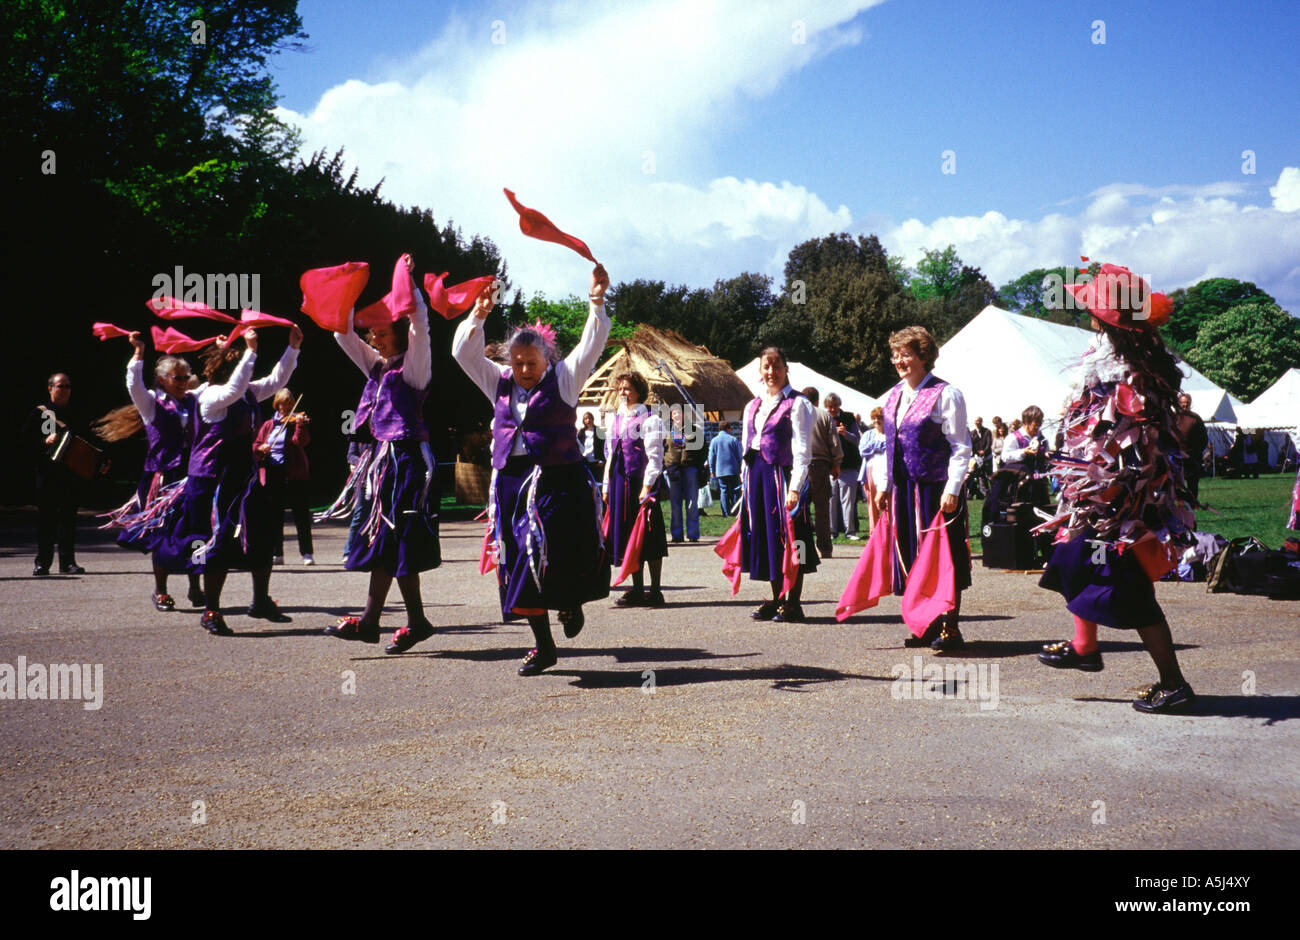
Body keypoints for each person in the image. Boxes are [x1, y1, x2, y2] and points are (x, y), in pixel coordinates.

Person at [1036, 264, 1196, 713]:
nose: (1085, 310)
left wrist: (1117, 494)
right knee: (1074, 559)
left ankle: (1174, 682)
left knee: (1131, 588)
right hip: (1097, 495)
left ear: (1107, 316)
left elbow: (1139, 439)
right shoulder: (1108, 351)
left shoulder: (1133, 367)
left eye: (1091, 305)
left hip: (1123, 498)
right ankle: (1084, 647)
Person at [453, 264, 612, 676]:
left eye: (532, 361)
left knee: (556, 555)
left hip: (557, 482)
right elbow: (462, 354)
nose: (525, 369)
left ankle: (570, 602)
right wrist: (479, 314)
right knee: (522, 557)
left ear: (547, 358)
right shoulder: (498, 382)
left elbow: (591, 345)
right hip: (511, 481)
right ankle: (544, 646)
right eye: (519, 362)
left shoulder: (564, 379)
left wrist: (595, 301)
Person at [324, 255, 442, 654]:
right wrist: (345, 293)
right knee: (386, 541)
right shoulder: (376, 366)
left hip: (407, 463)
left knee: (398, 541)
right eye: (372, 335)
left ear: (399, 331)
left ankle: (386, 621)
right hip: (380, 465)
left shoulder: (414, 370)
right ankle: (400, 621)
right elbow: (342, 335)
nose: (374, 339)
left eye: (380, 333)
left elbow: (421, 330)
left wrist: (411, 293)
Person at [155, 325, 301, 635]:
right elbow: (233, 388)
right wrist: (251, 350)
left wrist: (293, 348)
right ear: (228, 369)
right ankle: (211, 609)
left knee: (260, 537)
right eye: (239, 366)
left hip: (242, 480)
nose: (246, 371)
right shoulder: (210, 396)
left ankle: (260, 600)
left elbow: (276, 380)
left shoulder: (245, 392)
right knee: (217, 543)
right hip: (212, 481)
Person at [873, 326, 973, 651]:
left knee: (944, 556)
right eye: (896, 354)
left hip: (936, 488)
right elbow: (890, 445)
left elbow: (961, 446)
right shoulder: (894, 395)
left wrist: (953, 487)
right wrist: (885, 485)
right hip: (905, 487)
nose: (900, 360)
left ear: (924, 356)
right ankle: (926, 625)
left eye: (907, 353)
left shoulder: (946, 394)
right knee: (914, 555)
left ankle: (950, 628)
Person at [98, 332, 203, 609]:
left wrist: (223, 351)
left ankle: (196, 586)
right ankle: (161, 590)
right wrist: (138, 354)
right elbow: (133, 384)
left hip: (192, 475)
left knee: (197, 530)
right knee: (162, 532)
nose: (183, 383)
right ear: (162, 379)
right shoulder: (152, 404)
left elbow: (227, 386)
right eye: (177, 378)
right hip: (163, 477)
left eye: (185, 377)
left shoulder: (194, 400)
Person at [741, 348, 819, 623]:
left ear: (786, 369)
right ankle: (776, 598)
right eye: (766, 367)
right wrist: (744, 481)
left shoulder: (798, 404)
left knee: (793, 536)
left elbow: (803, 451)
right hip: (758, 475)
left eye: (776, 366)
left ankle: (793, 602)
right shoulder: (752, 405)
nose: (771, 372)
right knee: (767, 536)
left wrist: (795, 487)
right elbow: (747, 444)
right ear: (760, 371)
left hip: (783, 476)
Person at [604, 371, 668, 604]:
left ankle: (656, 590)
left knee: (650, 537)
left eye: (627, 388)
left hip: (640, 484)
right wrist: (606, 484)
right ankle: (637, 588)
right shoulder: (616, 418)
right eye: (620, 388)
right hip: (620, 483)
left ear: (638, 391)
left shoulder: (651, 419)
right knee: (629, 536)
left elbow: (655, 457)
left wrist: (647, 486)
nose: (623, 392)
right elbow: (610, 454)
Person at [25, 373, 98, 575]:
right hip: (48, 474)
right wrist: (44, 442)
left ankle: (68, 562)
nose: (64, 390)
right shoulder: (44, 413)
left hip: (71, 474)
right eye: (60, 386)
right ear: (50, 388)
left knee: (69, 520)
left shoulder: (77, 413)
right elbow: (25, 441)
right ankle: (43, 563)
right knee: (46, 520)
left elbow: (87, 440)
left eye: (67, 386)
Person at [255, 388, 314, 566]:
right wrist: (260, 448)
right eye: (283, 403)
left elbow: (300, 442)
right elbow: (256, 443)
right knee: (274, 515)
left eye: (289, 403)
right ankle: (277, 553)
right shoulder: (268, 425)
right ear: (277, 404)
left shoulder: (296, 422)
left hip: (295, 472)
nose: (286, 407)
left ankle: (307, 553)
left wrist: (300, 425)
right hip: (273, 472)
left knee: (301, 514)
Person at [804, 387, 841, 559]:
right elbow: (834, 442)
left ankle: (801, 552)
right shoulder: (824, 415)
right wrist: (836, 464)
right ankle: (825, 549)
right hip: (820, 465)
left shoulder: (794, 414)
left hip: (800, 466)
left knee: (799, 511)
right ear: (818, 401)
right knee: (822, 510)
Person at [664, 402, 706, 543]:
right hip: (673, 469)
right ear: (671, 416)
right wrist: (667, 465)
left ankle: (693, 534)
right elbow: (663, 450)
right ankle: (677, 534)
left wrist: (698, 465)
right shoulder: (667, 432)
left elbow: (703, 449)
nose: (677, 415)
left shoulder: (695, 430)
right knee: (675, 504)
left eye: (679, 413)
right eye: (674, 413)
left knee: (691, 503)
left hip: (690, 469)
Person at [997, 405, 1050, 508]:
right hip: (1020, 486)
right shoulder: (1013, 438)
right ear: (1027, 421)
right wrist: (1023, 452)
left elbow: (1045, 458)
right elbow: (1005, 457)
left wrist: (1047, 457)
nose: (1039, 425)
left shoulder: (1042, 439)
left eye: (1040, 421)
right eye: (1036, 422)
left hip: (1040, 485)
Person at [825, 393, 862, 539]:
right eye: (829, 407)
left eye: (834, 407)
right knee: (831, 500)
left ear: (839, 405)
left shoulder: (848, 417)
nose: (832, 410)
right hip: (830, 466)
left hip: (848, 465)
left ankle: (850, 531)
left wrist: (845, 433)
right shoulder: (824, 417)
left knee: (848, 500)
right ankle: (832, 531)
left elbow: (858, 439)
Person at [1175, 392, 1209, 503]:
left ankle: (1192, 503)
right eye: (1183, 403)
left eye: (1187, 403)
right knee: (1176, 482)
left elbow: (1203, 438)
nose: (1185, 405)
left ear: (1190, 404)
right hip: (1176, 456)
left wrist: (1195, 452)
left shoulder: (1196, 419)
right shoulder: (1174, 418)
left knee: (1192, 482)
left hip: (1192, 456)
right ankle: (1179, 504)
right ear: (1179, 403)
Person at [858, 407, 886, 530]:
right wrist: (881, 446)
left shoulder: (890, 433)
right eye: (874, 418)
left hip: (885, 472)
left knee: (887, 504)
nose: (876, 421)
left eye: (879, 418)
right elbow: (863, 450)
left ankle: (889, 534)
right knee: (872, 505)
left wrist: (873, 447)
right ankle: (873, 533)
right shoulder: (868, 434)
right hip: (870, 471)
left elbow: (891, 447)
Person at [708, 421, 743, 516]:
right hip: (733, 470)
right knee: (736, 491)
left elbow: (711, 457)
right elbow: (739, 456)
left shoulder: (714, 441)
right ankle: (735, 511)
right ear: (728, 428)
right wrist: (741, 467)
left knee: (724, 491)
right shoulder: (733, 440)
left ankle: (726, 512)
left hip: (720, 471)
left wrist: (712, 471)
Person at [577, 410, 604, 488]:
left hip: (596, 462)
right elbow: (578, 446)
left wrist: (601, 460)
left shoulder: (599, 431)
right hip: (585, 461)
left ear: (593, 419)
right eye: (586, 419)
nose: (588, 420)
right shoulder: (581, 432)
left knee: (597, 483)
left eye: (589, 418)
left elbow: (603, 446)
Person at [968, 416, 993, 500]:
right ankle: (982, 493)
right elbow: (972, 444)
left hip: (987, 457)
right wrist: (976, 452)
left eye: (979, 421)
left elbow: (989, 443)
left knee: (989, 475)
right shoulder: (972, 433)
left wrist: (984, 451)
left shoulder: (987, 431)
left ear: (981, 421)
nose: (977, 422)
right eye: (976, 421)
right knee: (979, 476)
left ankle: (992, 492)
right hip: (976, 457)